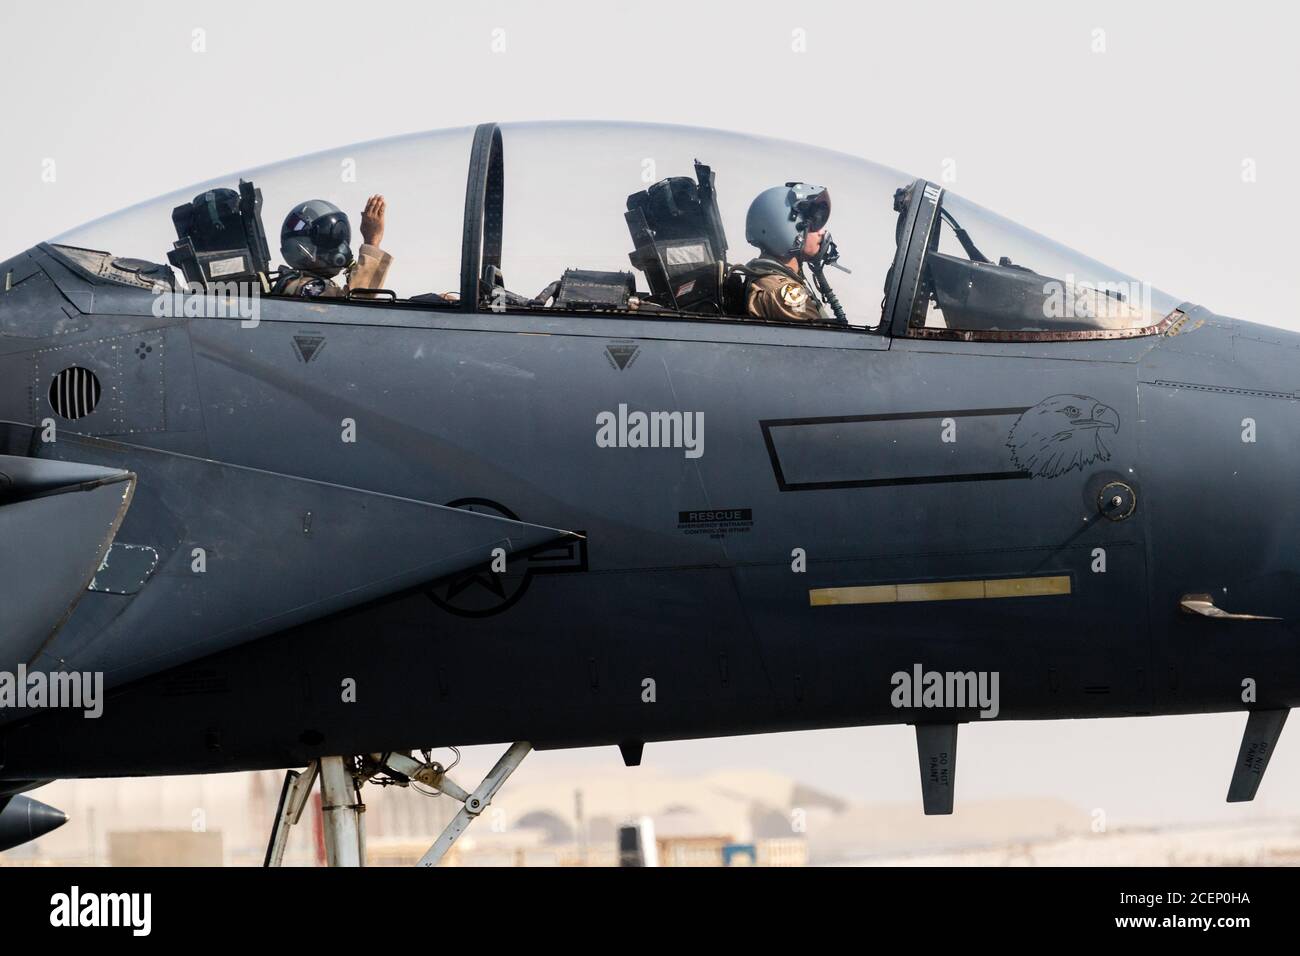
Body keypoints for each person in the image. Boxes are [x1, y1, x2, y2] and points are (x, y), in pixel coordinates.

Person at [740, 183, 832, 322]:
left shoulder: (768, 280)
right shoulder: (784, 292)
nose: (822, 232)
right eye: (814, 223)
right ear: (787, 228)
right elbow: (825, 339)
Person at [274, 194, 392, 298]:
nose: (339, 248)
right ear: (304, 250)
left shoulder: (299, 284)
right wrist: (372, 240)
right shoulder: (307, 289)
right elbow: (352, 311)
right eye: (328, 242)